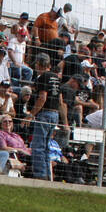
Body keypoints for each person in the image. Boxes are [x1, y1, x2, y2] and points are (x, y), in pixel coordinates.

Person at [28, 52, 64, 180]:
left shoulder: (42, 77)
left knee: (38, 145)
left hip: (45, 113)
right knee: (47, 146)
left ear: (39, 64)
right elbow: (60, 101)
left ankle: (40, 175)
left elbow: (42, 98)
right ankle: (48, 174)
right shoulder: (56, 78)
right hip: (55, 114)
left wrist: (31, 114)